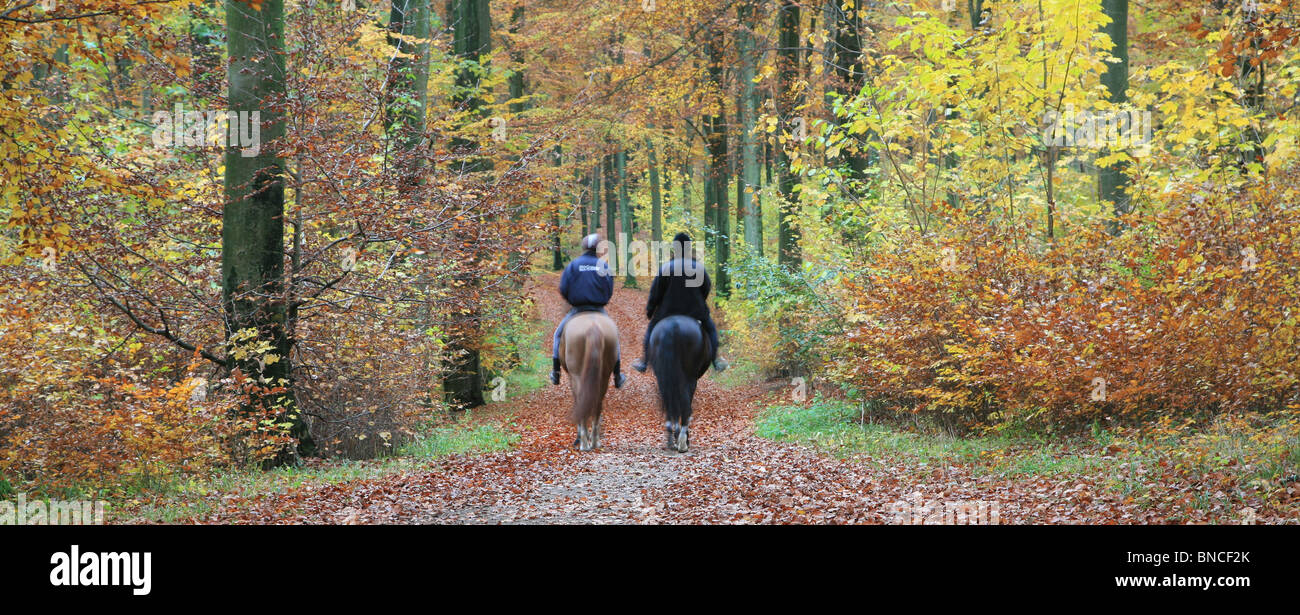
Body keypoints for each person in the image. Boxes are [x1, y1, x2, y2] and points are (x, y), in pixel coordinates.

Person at [631, 232, 727, 373]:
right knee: (711, 329)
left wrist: (651, 310)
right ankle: (716, 360)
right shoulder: (698, 267)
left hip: (667, 312)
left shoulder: (666, 268)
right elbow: (706, 288)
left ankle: (644, 361)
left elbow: (655, 292)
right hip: (695, 312)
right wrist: (699, 302)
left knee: (651, 329)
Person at [552, 233, 625, 388]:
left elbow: (563, 288)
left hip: (577, 310)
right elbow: (609, 289)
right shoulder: (604, 265)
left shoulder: (573, 265)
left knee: (557, 335)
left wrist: (571, 299)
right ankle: (617, 376)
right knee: (615, 337)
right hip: (599, 310)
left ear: (584, 247)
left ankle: (555, 372)